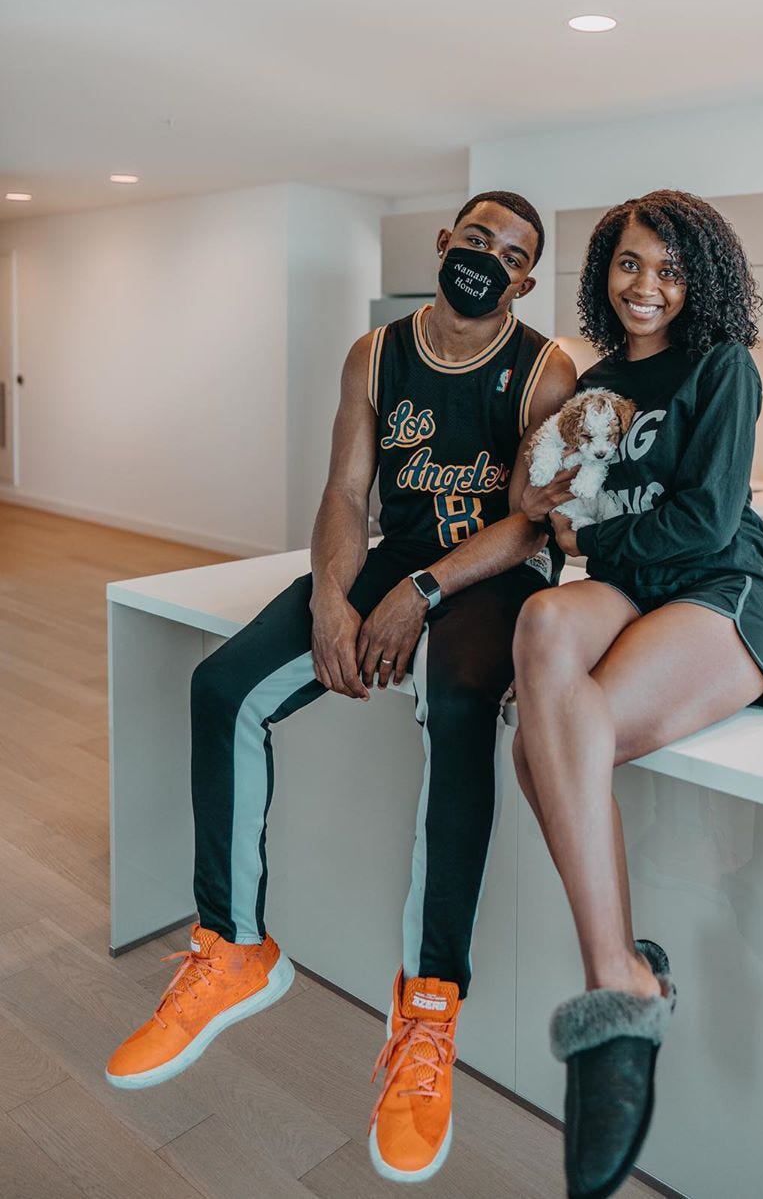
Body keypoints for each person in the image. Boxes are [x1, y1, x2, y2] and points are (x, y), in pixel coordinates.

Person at [105, 190, 579, 1186]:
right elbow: (347, 490)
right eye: (477, 239)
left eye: (512, 254)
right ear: (444, 243)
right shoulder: (375, 353)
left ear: (527, 280)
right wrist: (330, 593)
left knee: (458, 708)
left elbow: (532, 522)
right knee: (222, 686)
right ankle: (234, 946)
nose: (488, 259)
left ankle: (429, 1008)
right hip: (393, 553)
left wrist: (421, 592)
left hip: (491, 571)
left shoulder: (545, 369)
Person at [510, 189, 763, 1199]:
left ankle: (613, 986)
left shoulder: (723, 366)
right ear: (604, 272)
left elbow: (706, 519)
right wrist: (557, 511)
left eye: (670, 269)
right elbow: (557, 501)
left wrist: (593, 538)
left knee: (538, 745)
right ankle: (622, 969)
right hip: (626, 583)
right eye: (630, 263)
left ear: (699, 279)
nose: (647, 286)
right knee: (542, 625)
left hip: (715, 585)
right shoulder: (599, 382)